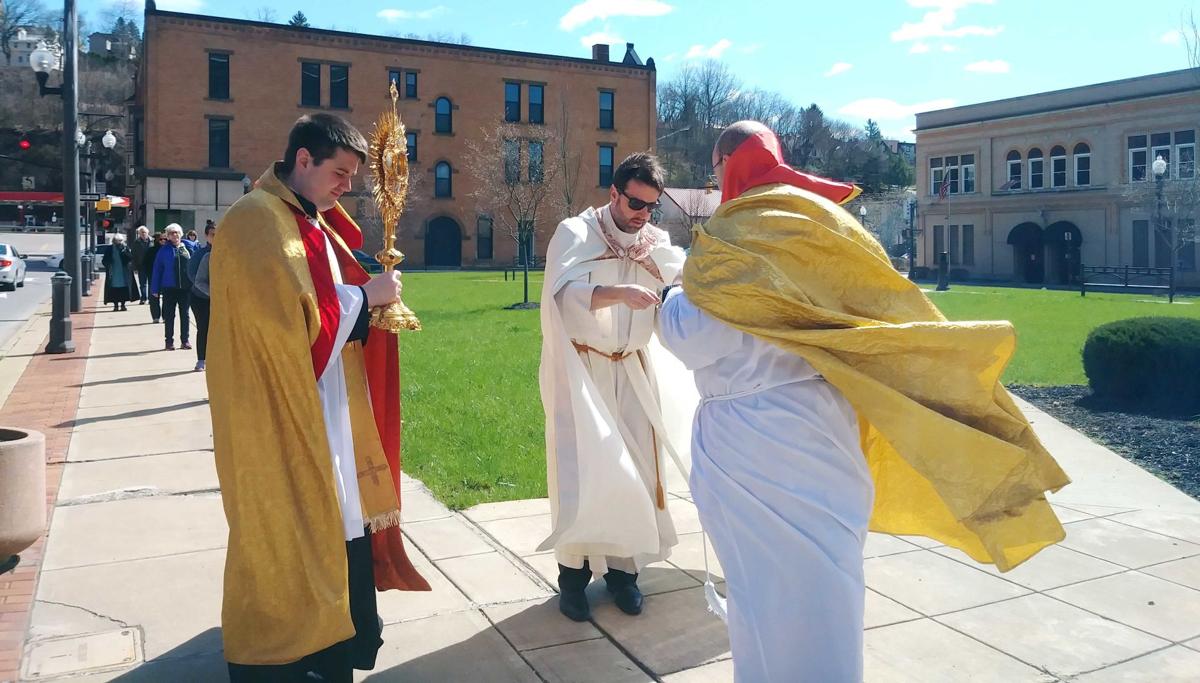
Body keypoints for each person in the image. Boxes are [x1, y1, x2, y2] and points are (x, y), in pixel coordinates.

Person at [658, 120, 1070, 682]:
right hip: (825, 429)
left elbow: (695, 336)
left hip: (753, 437)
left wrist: (669, 294)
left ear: (727, 164)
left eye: (713, 164)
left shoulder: (735, 235)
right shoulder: (826, 224)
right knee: (825, 589)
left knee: (765, 597)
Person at [207, 113, 429, 682]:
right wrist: (365, 296)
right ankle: (292, 654)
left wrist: (361, 298)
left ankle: (336, 648)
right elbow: (283, 329)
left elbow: (317, 306)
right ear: (302, 159)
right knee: (290, 525)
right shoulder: (258, 219)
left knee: (338, 518)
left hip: (326, 398)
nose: (347, 186)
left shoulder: (310, 220)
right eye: (339, 172)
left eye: (353, 175)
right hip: (280, 410)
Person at [538, 152, 691, 623]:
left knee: (641, 472)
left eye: (650, 207)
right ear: (613, 193)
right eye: (633, 203)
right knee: (584, 473)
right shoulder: (576, 232)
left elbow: (689, 280)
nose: (641, 215)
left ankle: (625, 574)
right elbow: (560, 297)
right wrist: (616, 294)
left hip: (633, 369)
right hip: (584, 369)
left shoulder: (655, 241)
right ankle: (574, 580)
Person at [150, 224, 192, 351]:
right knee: (169, 316)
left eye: (177, 232)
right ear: (168, 236)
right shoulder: (163, 251)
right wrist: (155, 289)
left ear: (181, 234)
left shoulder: (187, 248)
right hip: (169, 288)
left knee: (185, 315)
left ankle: (185, 340)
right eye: (172, 233)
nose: (175, 235)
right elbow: (157, 270)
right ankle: (169, 341)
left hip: (185, 288)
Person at [189, 221, 216, 371]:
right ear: (206, 235)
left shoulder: (225, 252)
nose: (216, 237)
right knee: (203, 328)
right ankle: (201, 360)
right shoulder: (201, 254)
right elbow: (193, 276)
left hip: (217, 301)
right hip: (200, 298)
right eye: (212, 234)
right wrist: (213, 293)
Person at [101, 233, 136, 311]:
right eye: (117, 240)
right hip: (113, 272)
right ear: (114, 241)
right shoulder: (110, 249)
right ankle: (116, 305)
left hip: (124, 273)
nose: (119, 242)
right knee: (114, 289)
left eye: (120, 240)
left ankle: (123, 305)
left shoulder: (125, 248)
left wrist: (124, 252)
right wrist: (108, 264)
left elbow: (130, 258)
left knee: (124, 289)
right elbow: (104, 260)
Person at [131, 226, 152, 304]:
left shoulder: (152, 241)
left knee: (151, 283)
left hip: (151, 266)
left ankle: (151, 298)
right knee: (142, 283)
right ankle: (143, 298)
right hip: (141, 266)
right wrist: (134, 267)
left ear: (147, 233)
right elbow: (133, 256)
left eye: (144, 232)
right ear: (139, 234)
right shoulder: (136, 242)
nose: (143, 234)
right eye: (141, 232)